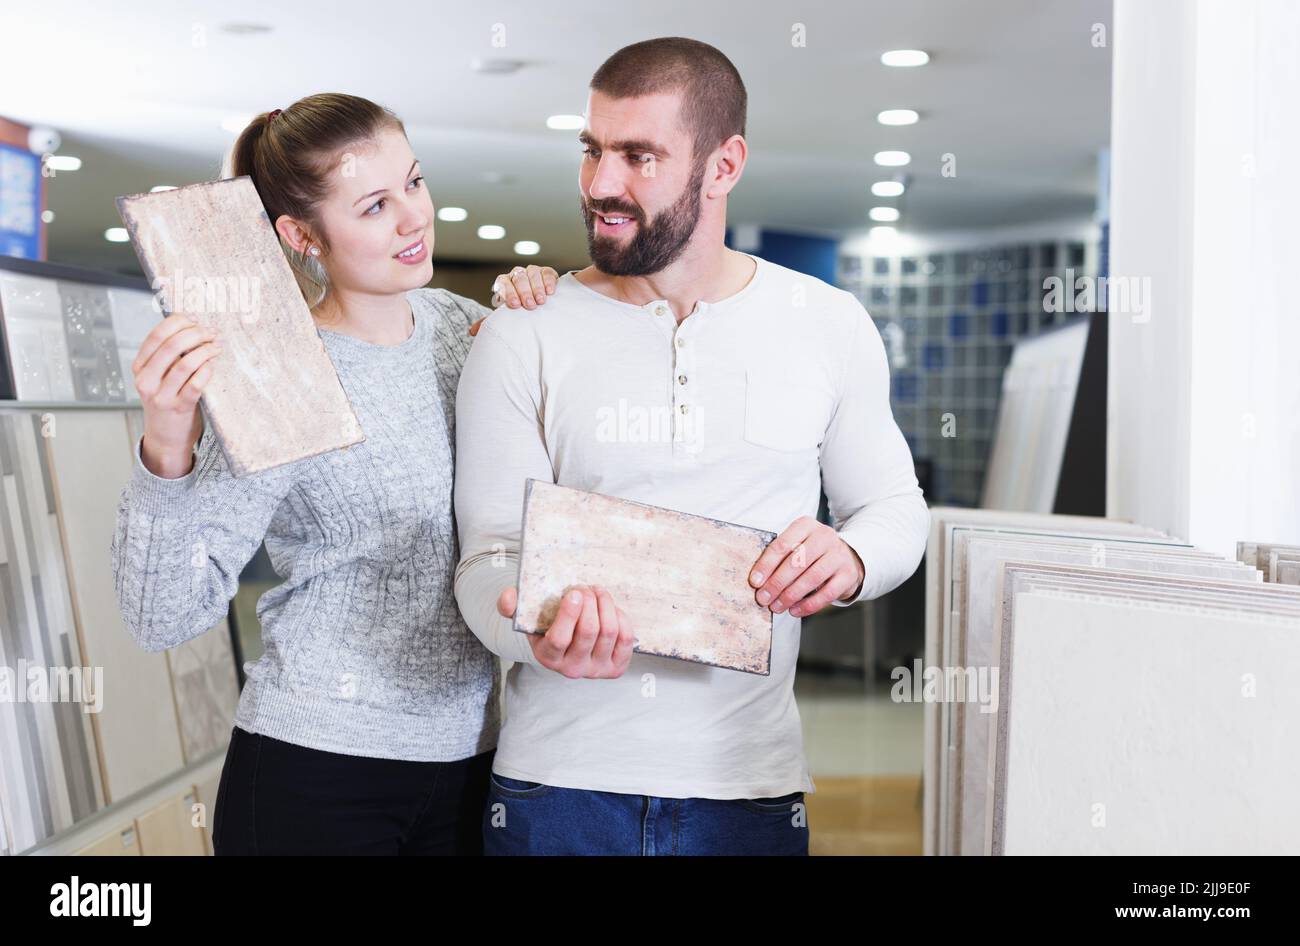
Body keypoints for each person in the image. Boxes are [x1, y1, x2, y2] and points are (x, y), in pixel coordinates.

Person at [453, 38, 930, 856]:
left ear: (723, 165)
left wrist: (848, 559)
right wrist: (531, 628)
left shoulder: (826, 323)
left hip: (748, 789)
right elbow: (486, 560)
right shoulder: (522, 335)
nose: (603, 184)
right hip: (557, 791)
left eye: (640, 156)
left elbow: (893, 510)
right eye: (592, 151)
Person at [111, 92, 556, 855]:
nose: (414, 217)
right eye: (375, 204)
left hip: (472, 765)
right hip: (317, 774)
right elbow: (163, 615)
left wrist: (546, 314)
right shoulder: (283, 374)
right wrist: (167, 440)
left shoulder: (466, 330)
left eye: (414, 183)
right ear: (301, 234)